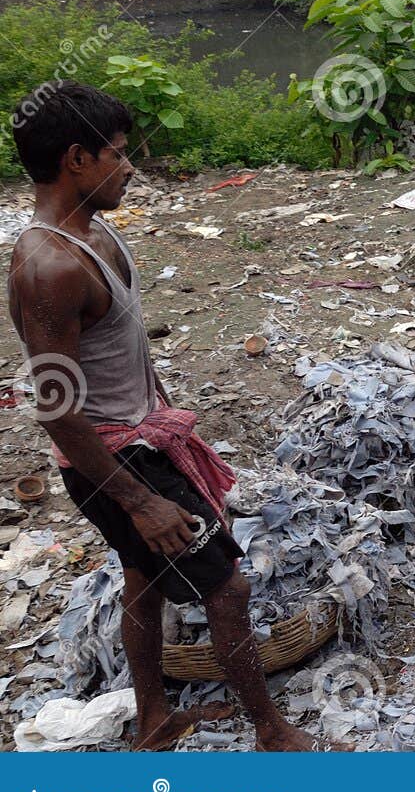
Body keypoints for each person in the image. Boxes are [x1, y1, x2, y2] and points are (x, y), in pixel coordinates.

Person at [6, 83, 334, 751]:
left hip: (139, 438)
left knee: (142, 578)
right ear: (75, 158)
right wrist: (140, 500)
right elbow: (54, 405)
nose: (130, 167)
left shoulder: (94, 230)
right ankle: (271, 731)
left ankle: (153, 718)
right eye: (118, 155)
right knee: (228, 584)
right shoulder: (49, 266)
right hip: (111, 461)